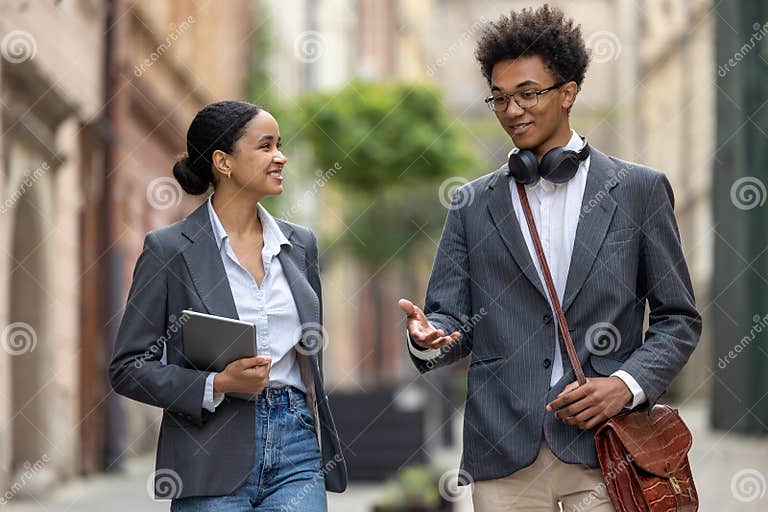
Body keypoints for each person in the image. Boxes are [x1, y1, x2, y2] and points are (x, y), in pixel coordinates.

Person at [398, 5, 701, 511]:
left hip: (607, 446)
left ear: (568, 92)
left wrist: (624, 387)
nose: (512, 110)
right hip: (503, 449)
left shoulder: (638, 191)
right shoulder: (470, 204)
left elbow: (678, 318)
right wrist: (431, 338)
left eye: (528, 93)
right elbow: (451, 317)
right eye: (499, 98)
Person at [109, 100, 346, 511]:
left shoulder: (299, 245)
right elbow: (128, 368)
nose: (281, 157)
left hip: (297, 446)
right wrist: (216, 384)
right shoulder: (168, 250)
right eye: (266, 146)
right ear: (224, 162)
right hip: (209, 451)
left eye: (280, 145)